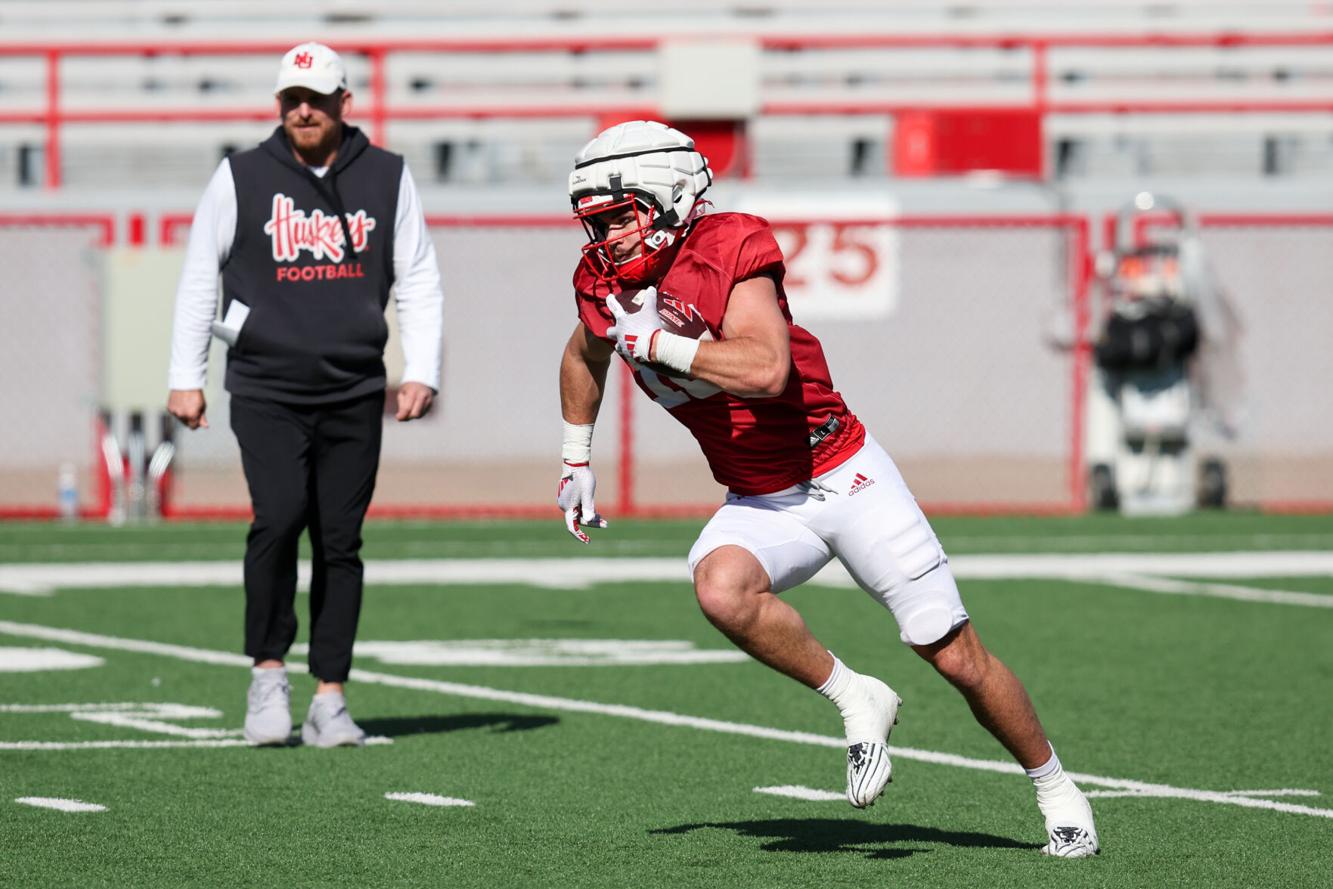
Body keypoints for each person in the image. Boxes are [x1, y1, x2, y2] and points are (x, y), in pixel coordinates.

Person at [556, 120, 1099, 858]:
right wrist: (576, 455)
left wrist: (659, 344)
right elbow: (582, 353)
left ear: (669, 198)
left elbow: (763, 368)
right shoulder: (604, 281)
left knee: (950, 651)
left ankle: (1054, 785)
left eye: (618, 215)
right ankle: (856, 696)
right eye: (596, 221)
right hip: (760, 496)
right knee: (720, 587)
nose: (607, 236)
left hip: (843, 475)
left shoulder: (729, 247)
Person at [166, 42, 444, 748]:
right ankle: (267, 675)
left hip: (354, 387)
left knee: (341, 541)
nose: (302, 109)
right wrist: (185, 375)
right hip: (266, 386)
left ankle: (329, 694)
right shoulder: (240, 176)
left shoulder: (387, 176)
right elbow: (202, 275)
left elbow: (416, 277)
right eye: (291, 97)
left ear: (344, 103)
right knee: (279, 517)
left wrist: (423, 367)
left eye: (316, 98)